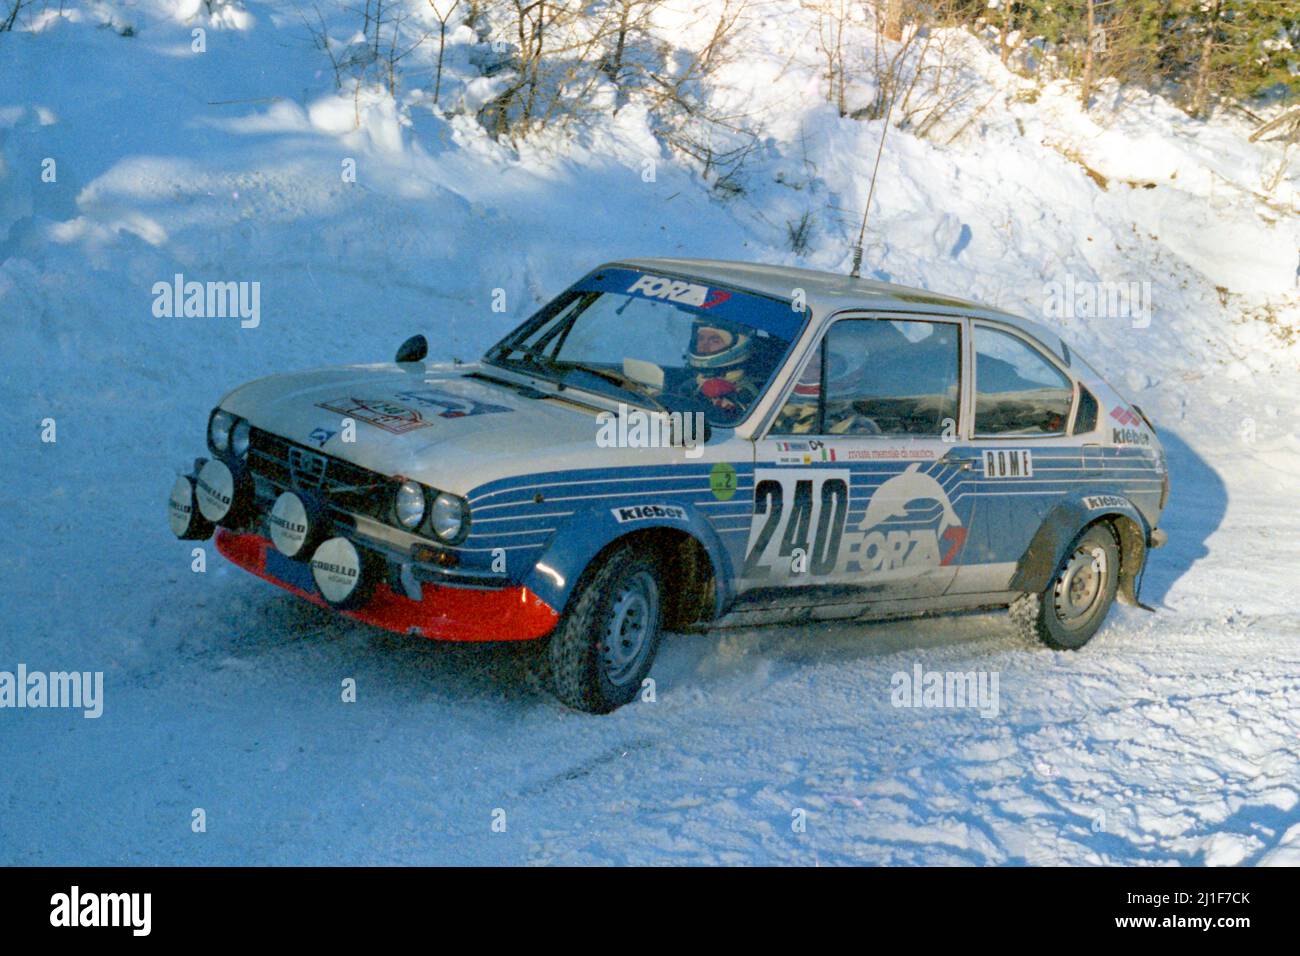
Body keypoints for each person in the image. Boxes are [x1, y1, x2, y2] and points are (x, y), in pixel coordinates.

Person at [685, 318, 762, 422]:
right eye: (700, 338)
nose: (703, 345)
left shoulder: (756, 394)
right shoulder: (690, 383)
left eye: (715, 341)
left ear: (739, 345)